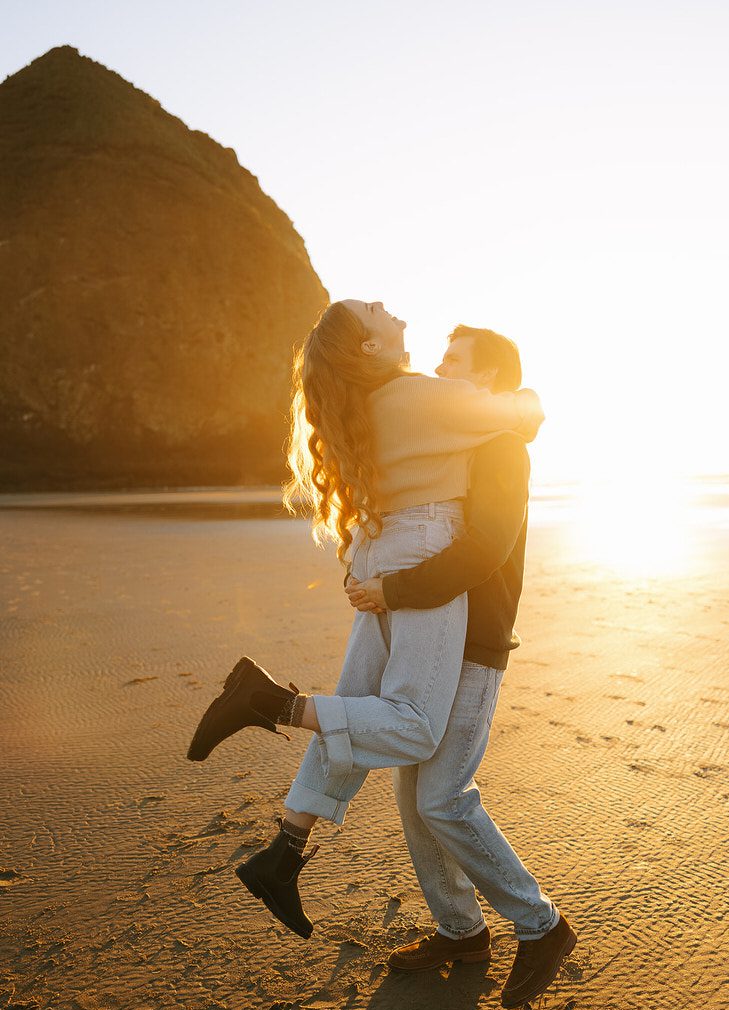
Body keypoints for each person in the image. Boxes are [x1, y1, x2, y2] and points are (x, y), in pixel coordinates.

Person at [187, 300, 542, 953]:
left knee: (358, 720)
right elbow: (523, 418)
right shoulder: (423, 400)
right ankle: (270, 701)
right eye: (375, 313)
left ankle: (285, 853)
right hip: (416, 557)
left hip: (383, 550)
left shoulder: (375, 404)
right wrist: (524, 398)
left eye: (454, 365)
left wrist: (372, 571)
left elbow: (478, 532)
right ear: (371, 349)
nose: (440, 371)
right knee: (410, 729)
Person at [345, 325, 576, 1008]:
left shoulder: (501, 447)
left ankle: (543, 925)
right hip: (422, 636)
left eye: (453, 362)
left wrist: (393, 590)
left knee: (444, 796)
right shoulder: (456, 440)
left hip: (474, 642)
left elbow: (482, 547)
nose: (437, 372)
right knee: (414, 800)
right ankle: (462, 929)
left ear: (492, 383)